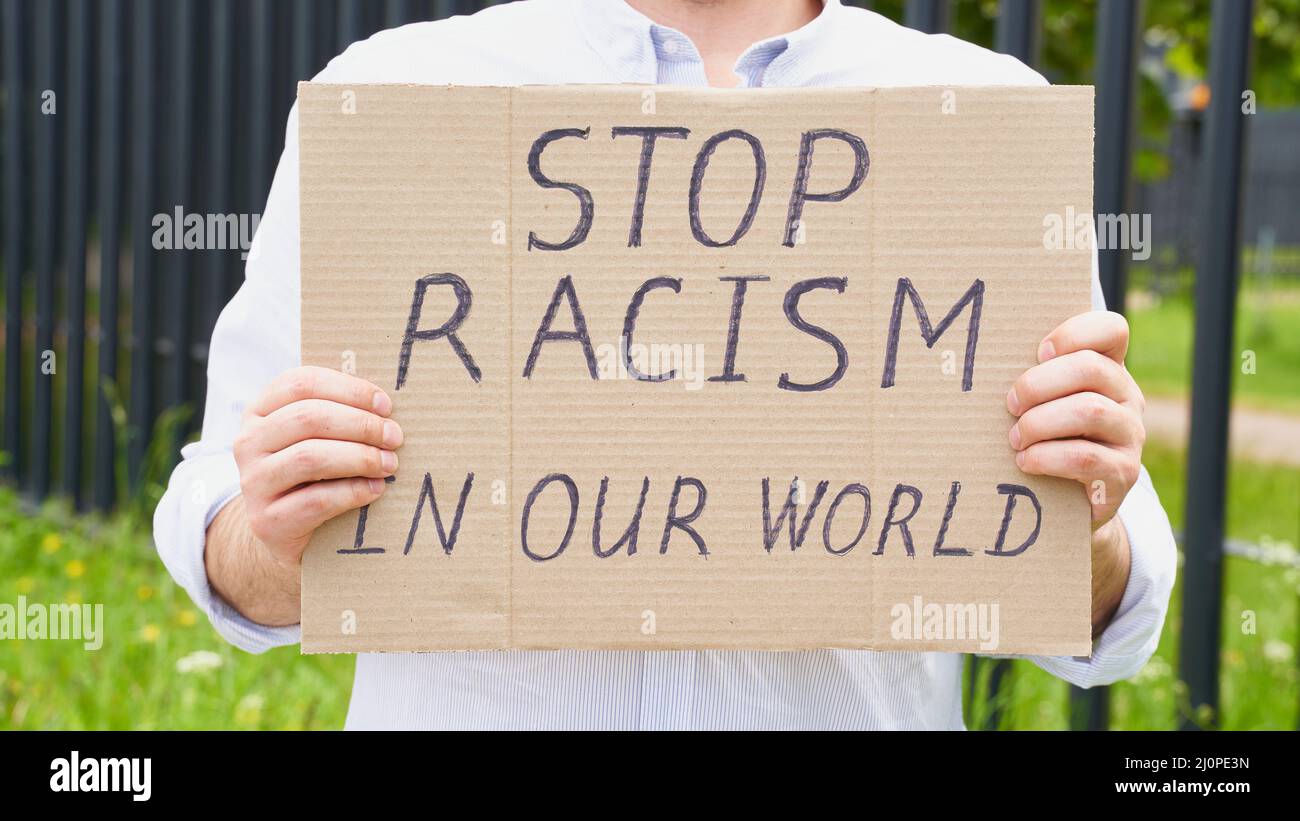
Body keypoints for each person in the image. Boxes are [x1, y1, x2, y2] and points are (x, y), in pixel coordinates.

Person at [155, 0, 1176, 729]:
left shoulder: (976, 115)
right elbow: (217, 524)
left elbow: (1107, 614)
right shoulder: (391, 96)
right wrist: (275, 525)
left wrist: (1082, 498)